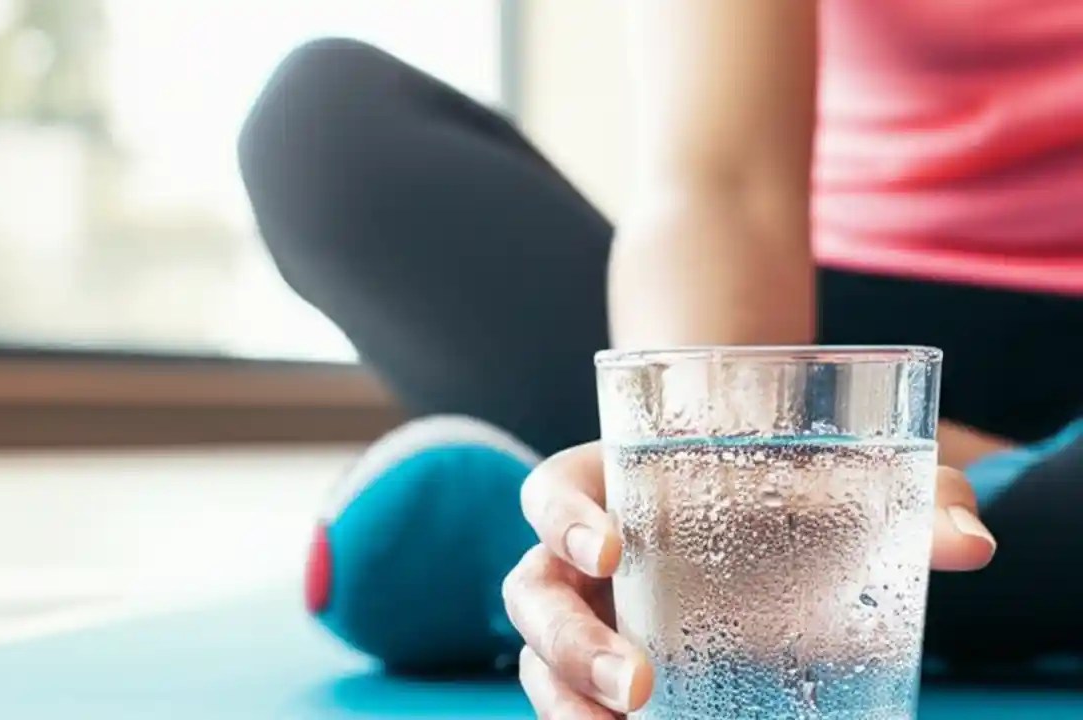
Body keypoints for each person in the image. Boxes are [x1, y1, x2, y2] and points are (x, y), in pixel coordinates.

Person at [239, 1, 1083, 716]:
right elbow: (721, 186)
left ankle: (575, 555)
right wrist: (706, 471)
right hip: (813, 349)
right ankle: (948, 544)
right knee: (323, 125)